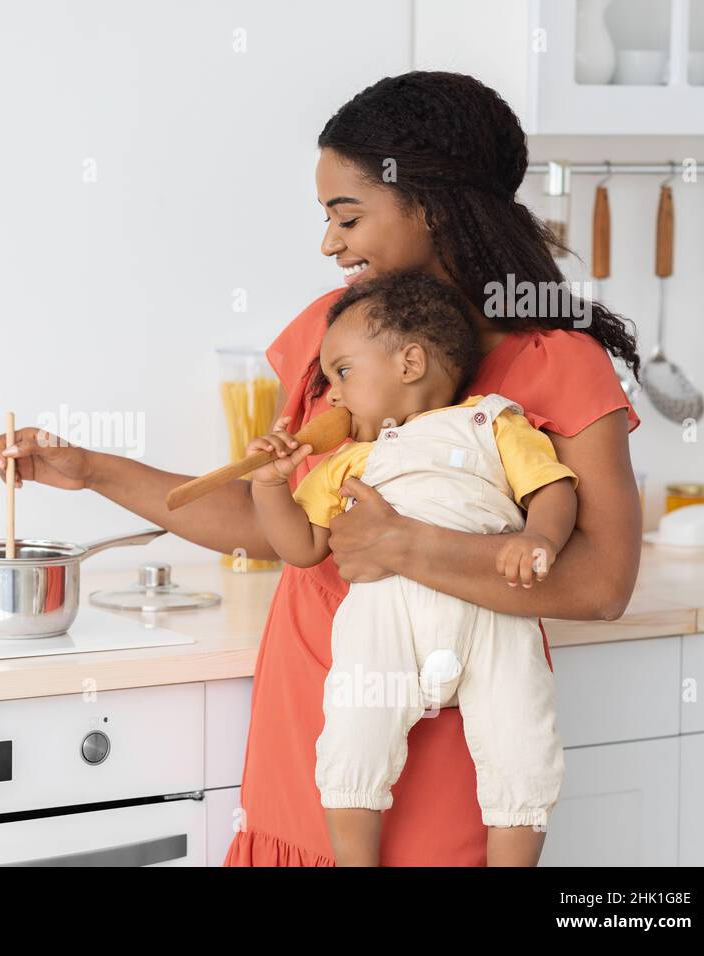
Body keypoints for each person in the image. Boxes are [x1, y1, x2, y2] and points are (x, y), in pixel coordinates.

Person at [0, 71, 642, 866]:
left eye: (348, 215)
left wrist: (405, 546)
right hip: (312, 718)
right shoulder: (331, 337)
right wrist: (92, 468)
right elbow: (275, 524)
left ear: (430, 206)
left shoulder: (555, 363)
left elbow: (603, 583)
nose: (330, 242)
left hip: (455, 751)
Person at [245, 271, 575, 866]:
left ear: (411, 363)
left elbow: (550, 486)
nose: (334, 395)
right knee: (353, 737)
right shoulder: (346, 463)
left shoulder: (493, 423)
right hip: (383, 616)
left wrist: (537, 538)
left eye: (343, 372)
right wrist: (270, 487)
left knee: (524, 745)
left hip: (493, 610)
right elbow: (301, 547)